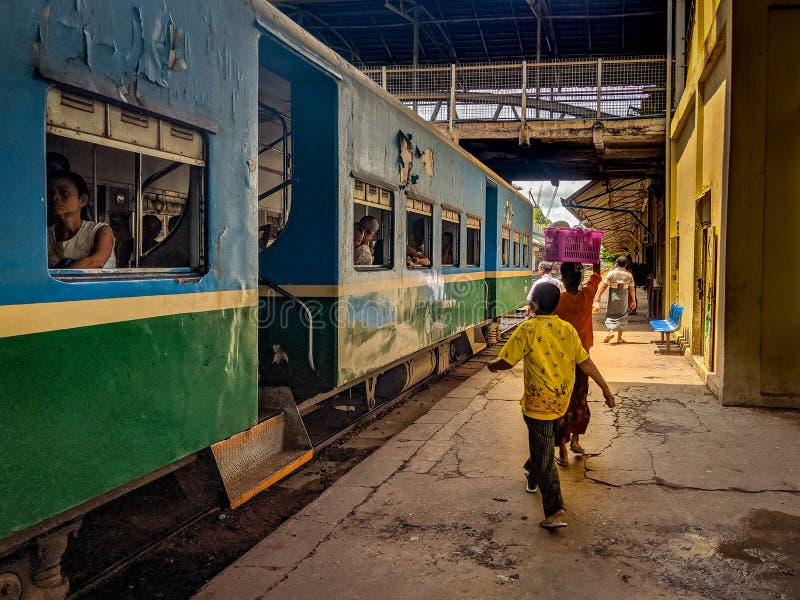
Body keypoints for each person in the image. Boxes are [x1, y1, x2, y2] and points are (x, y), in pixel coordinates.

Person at [488, 283, 615, 529]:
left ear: (532, 304)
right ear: (557, 305)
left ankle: (554, 509)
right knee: (543, 446)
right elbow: (585, 362)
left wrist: (492, 365)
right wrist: (606, 390)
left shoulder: (527, 329)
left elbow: (506, 361)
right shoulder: (567, 329)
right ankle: (531, 471)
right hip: (561, 402)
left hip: (537, 405)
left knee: (544, 456)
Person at [553, 261, 603, 465]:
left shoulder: (557, 300)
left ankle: (563, 450)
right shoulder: (587, 296)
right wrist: (595, 262)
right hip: (583, 358)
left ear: (563, 279)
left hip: (560, 360)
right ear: (580, 279)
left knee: (561, 401)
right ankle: (576, 440)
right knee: (580, 398)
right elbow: (596, 277)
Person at [48, 172, 116, 269]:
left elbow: (97, 261)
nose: (55, 197)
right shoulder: (46, 236)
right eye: (51, 193)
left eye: (63, 192)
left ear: (83, 200)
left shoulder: (100, 231)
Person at [596, 256, 637, 343]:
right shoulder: (629, 275)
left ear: (617, 263)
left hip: (613, 296)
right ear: (626, 264)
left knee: (611, 314)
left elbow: (604, 285)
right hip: (624, 297)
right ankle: (619, 338)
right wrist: (633, 301)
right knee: (622, 316)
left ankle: (610, 332)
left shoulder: (611, 273)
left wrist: (599, 295)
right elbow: (632, 289)